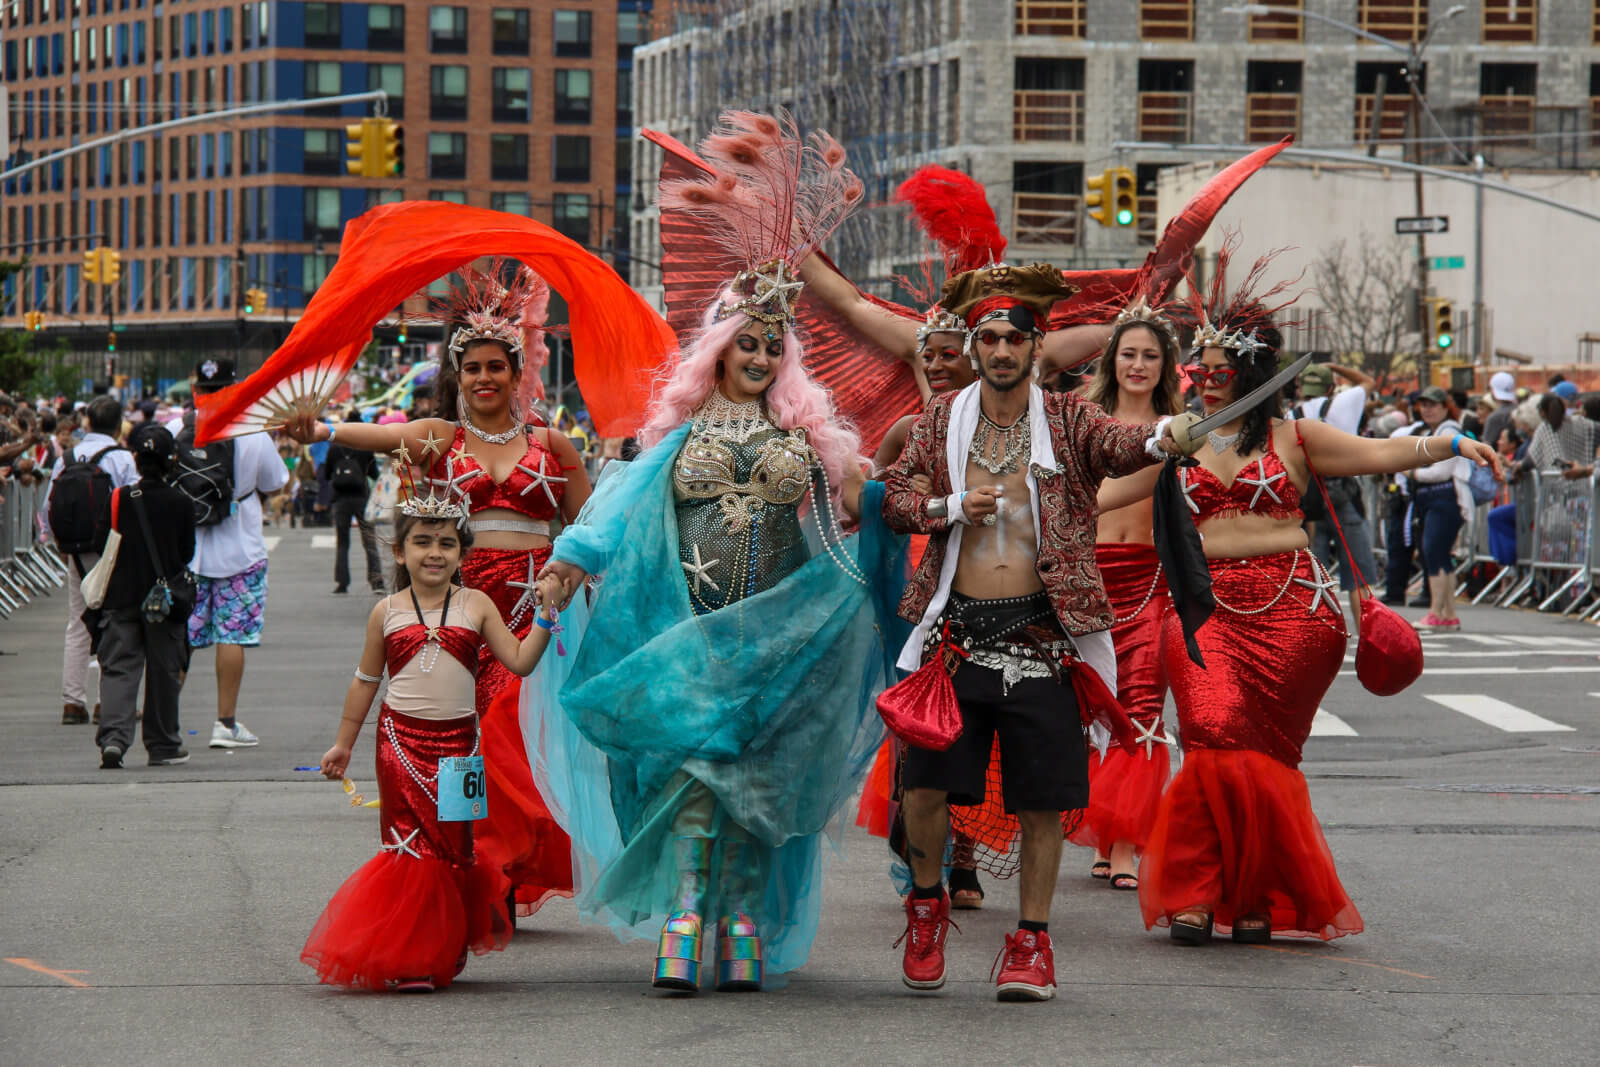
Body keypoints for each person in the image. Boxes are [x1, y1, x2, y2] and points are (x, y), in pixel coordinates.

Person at [533, 111, 899, 994]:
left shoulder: (809, 443)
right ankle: (690, 913)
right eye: (747, 341)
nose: (761, 354)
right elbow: (614, 510)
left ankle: (738, 913)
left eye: (774, 344)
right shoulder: (679, 434)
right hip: (685, 628)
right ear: (718, 351)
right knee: (693, 781)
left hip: (781, 637)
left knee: (756, 785)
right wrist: (567, 564)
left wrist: (933, 494)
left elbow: (867, 500)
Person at [1136, 249, 1501, 946]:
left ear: (1249, 374)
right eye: (1197, 371)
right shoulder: (1176, 438)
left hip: (1292, 615)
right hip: (1204, 610)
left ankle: (1255, 895)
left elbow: (1381, 453)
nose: (1205, 383)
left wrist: (1450, 439)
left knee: (1265, 758)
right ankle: (1196, 889)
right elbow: (1106, 490)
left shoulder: (1294, 436)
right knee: (1210, 734)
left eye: (1218, 371)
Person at [881, 262, 1192, 1001]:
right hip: (954, 636)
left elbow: (1124, 447)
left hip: (1042, 640)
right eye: (986, 337)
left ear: (1034, 344)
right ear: (975, 345)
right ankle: (926, 907)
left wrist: (1166, 437)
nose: (998, 350)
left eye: (1011, 338)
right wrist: (951, 507)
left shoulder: (1070, 421)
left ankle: (1032, 942)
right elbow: (895, 496)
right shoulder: (940, 420)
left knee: (1041, 801)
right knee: (922, 789)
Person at [288, 262, 591, 920]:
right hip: (461, 608)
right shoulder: (440, 439)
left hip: (536, 611)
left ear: (516, 374)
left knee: (525, 744)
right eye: (473, 367)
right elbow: (383, 436)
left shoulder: (553, 443)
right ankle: (474, 861)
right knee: (468, 744)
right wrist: (320, 431)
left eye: (496, 366)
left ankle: (507, 859)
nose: (484, 378)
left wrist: (565, 577)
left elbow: (588, 531)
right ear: (460, 376)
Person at [301, 496, 559, 992]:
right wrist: (342, 745)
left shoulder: (477, 605)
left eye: (446, 543)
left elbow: (521, 661)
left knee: (455, 849)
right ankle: (412, 955)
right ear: (400, 553)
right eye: (422, 542)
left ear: (463, 554)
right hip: (399, 746)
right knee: (411, 849)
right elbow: (365, 681)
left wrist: (545, 619)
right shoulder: (386, 611)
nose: (433, 553)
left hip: (461, 751)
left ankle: (443, 944)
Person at [1067, 297, 1186, 891]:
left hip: (1148, 582)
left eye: (1151, 357)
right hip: (1085, 579)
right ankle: (1100, 825)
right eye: (1129, 354)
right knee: (1090, 711)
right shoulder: (1080, 416)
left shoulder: (1182, 427)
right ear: (1112, 359)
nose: (1137, 365)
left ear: (1167, 366)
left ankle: (1124, 846)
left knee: (1141, 709)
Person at [182, 358, 291, 749]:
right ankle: (224, 724)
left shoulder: (180, 428)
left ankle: (163, 723)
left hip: (187, 550)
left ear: (198, 389)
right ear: (235, 389)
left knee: (181, 637)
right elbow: (276, 481)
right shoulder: (251, 431)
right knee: (232, 635)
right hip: (241, 549)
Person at [93, 424, 196, 769]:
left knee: (119, 670)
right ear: (172, 461)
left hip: (120, 596)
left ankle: (114, 740)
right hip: (163, 601)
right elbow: (186, 552)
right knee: (164, 670)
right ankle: (163, 743)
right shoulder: (181, 502)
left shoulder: (119, 497)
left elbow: (102, 544)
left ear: (135, 459)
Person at [49, 395, 137, 726]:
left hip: (75, 548)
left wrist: (55, 541)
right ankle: (106, 701)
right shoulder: (123, 459)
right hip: (113, 549)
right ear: (119, 426)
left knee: (78, 621)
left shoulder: (67, 457)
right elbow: (133, 503)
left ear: (87, 423)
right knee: (113, 621)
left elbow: (48, 506)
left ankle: (73, 702)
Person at [1292, 361, 1380, 625]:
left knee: (1312, 576)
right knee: (1358, 573)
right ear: (1330, 388)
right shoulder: (1344, 402)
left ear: (1301, 389)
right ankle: (1367, 635)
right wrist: (1335, 366)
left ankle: (1314, 635)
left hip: (1309, 500)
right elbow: (1367, 381)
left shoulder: (1291, 415)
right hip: (1345, 494)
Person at [1406, 387, 1474, 630]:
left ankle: (1437, 612)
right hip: (1436, 500)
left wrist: (1412, 472)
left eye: (1433, 405)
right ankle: (1447, 614)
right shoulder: (1433, 432)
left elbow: (1441, 472)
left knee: (1434, 551)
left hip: (1446, 500)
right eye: (1424, 405)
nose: (1427, 409)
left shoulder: (1449, 431)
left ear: (1446, 407)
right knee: (1439, 555)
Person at [322, 410, 384, 594]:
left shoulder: (334, 447)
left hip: (340, 498)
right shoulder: (364, 447)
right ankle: (377, 581)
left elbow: (326, 474)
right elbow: (374, 474)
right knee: (369, 541)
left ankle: (342, 582)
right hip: (361, 497)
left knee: (342, 542)